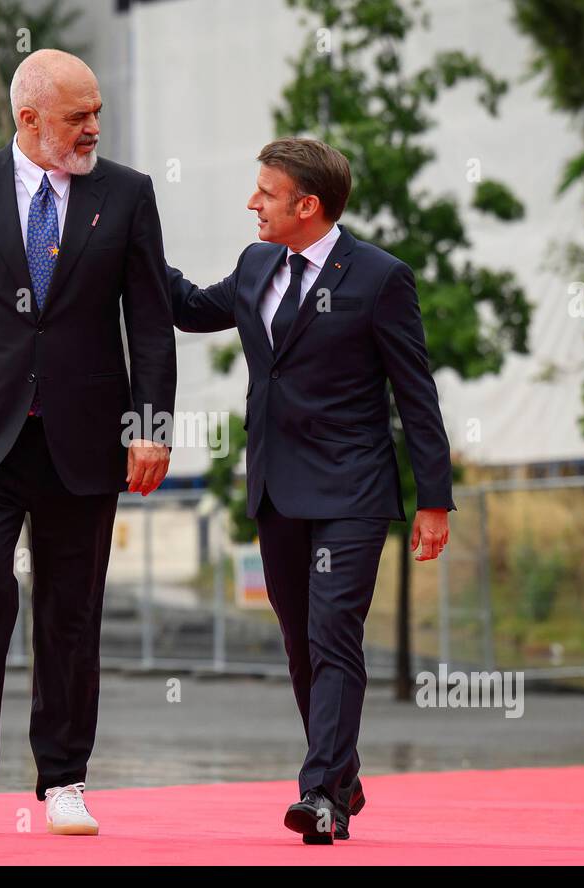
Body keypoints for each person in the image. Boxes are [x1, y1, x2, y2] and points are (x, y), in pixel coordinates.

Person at [0, 49, 176, 836]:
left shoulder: (126, 195)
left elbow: (148, 323)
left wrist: (151, 425)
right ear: (29, 118)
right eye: (77, 115)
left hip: (84, 438)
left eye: (96, 114)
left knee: (71, 612)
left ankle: (65, 780)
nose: (92, 127)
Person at [167, 137, 454, 843]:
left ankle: (320, 792)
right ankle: (345, 773)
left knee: (334, 636)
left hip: (353, 488)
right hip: (275, 489)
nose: (251, 203)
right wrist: (128, 239)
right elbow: (191, 309)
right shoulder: (257, 262)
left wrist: (436, 500)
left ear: (308, 204)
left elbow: (416, 395)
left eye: (265, 192)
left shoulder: (381, 278)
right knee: (301, 644)